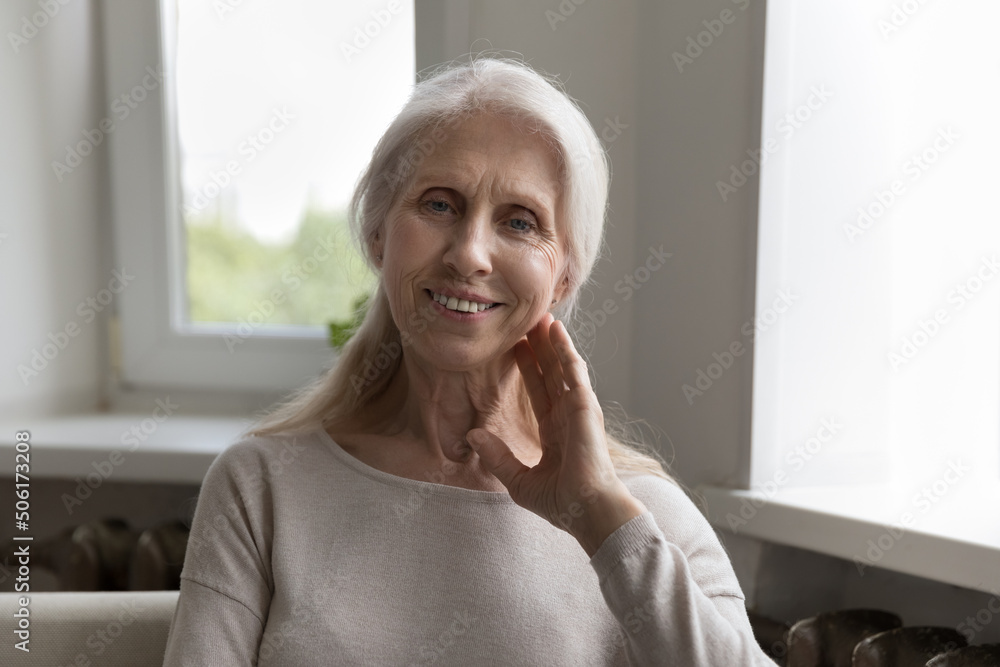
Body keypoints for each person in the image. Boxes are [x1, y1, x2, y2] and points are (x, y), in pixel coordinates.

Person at [163, 57, 773, 666]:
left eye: (520, 222)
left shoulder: (642, 514)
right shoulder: (260, 486)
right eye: (439, 206)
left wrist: (598, 516)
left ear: (564, 275)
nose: (469, 255)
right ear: (378, 235)